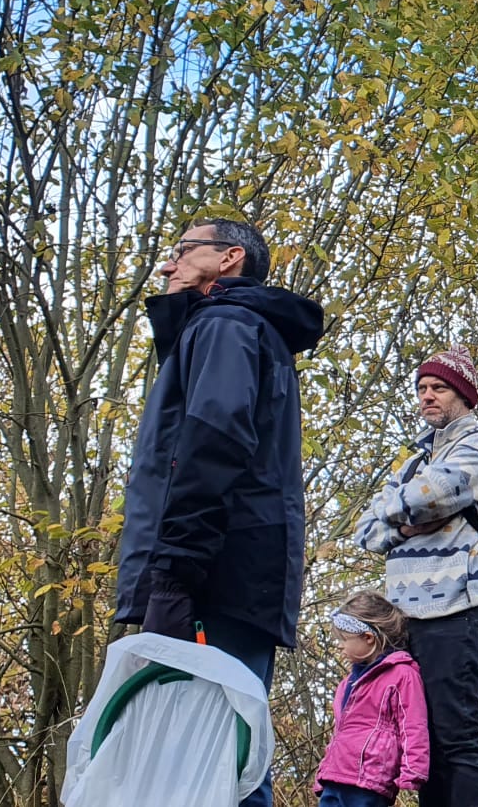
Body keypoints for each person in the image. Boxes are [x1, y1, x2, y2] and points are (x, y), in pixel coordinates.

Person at [115, 218, 323, 807]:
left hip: (213, 572)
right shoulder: (235, 328)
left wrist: (175, 570)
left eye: (183, 250)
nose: (168, 264)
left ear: (230, 257)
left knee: (208, 757)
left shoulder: (225, 324)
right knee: (223, 753)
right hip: (231, 568)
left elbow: (214, 440)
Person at [354, 346, 478, 807]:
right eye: (422, 388)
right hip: (404, 622)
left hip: (456, 612)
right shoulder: (412, 463)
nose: (427, 396)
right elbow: (367, 530)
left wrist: (403, 507)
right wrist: (405, 524)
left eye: (438, 387)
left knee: (456, 738)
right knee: (421, 745)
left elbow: (431, 495)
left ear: (463, 394)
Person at [316, 591, 429, 806]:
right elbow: (339, 732)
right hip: (334, 778)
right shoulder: (347, 684)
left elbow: (413, 726)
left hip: (369, 781)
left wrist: (413, 769)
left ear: (368, 638)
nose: (339, 646)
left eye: (344, 639)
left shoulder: (402, 675)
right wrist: (324, 769)